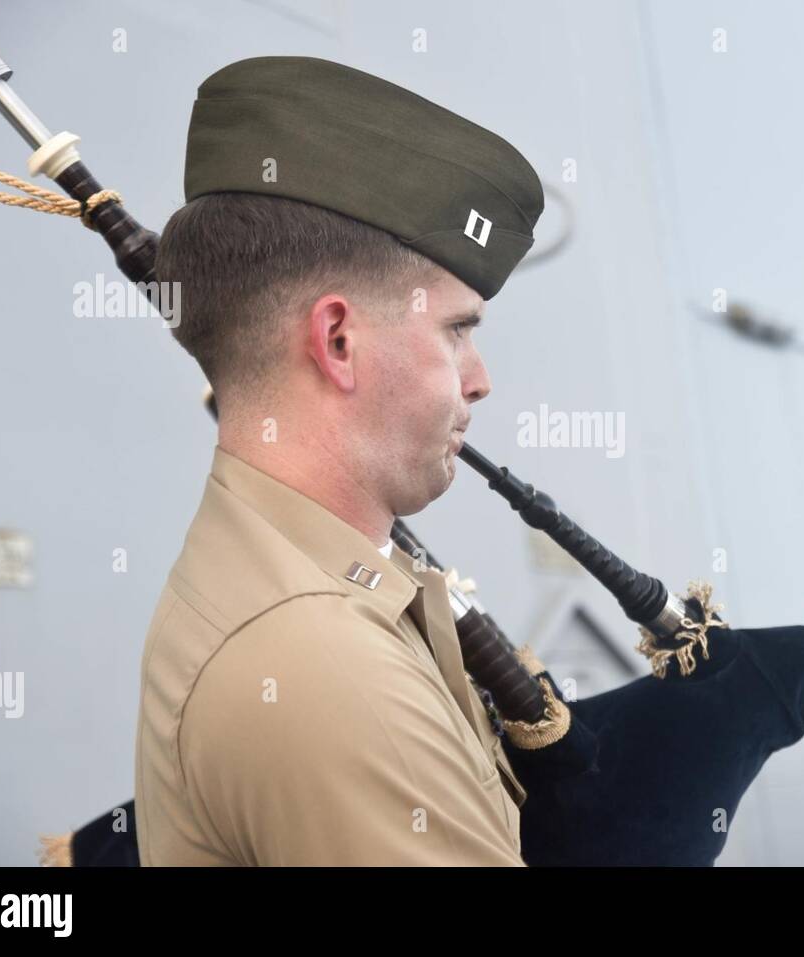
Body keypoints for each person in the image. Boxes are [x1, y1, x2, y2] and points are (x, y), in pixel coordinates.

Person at [134, 55, 544, 865]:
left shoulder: (284, 582)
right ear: (338, 341)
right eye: (457, 329)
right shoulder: (327, 664)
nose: (480, 379)